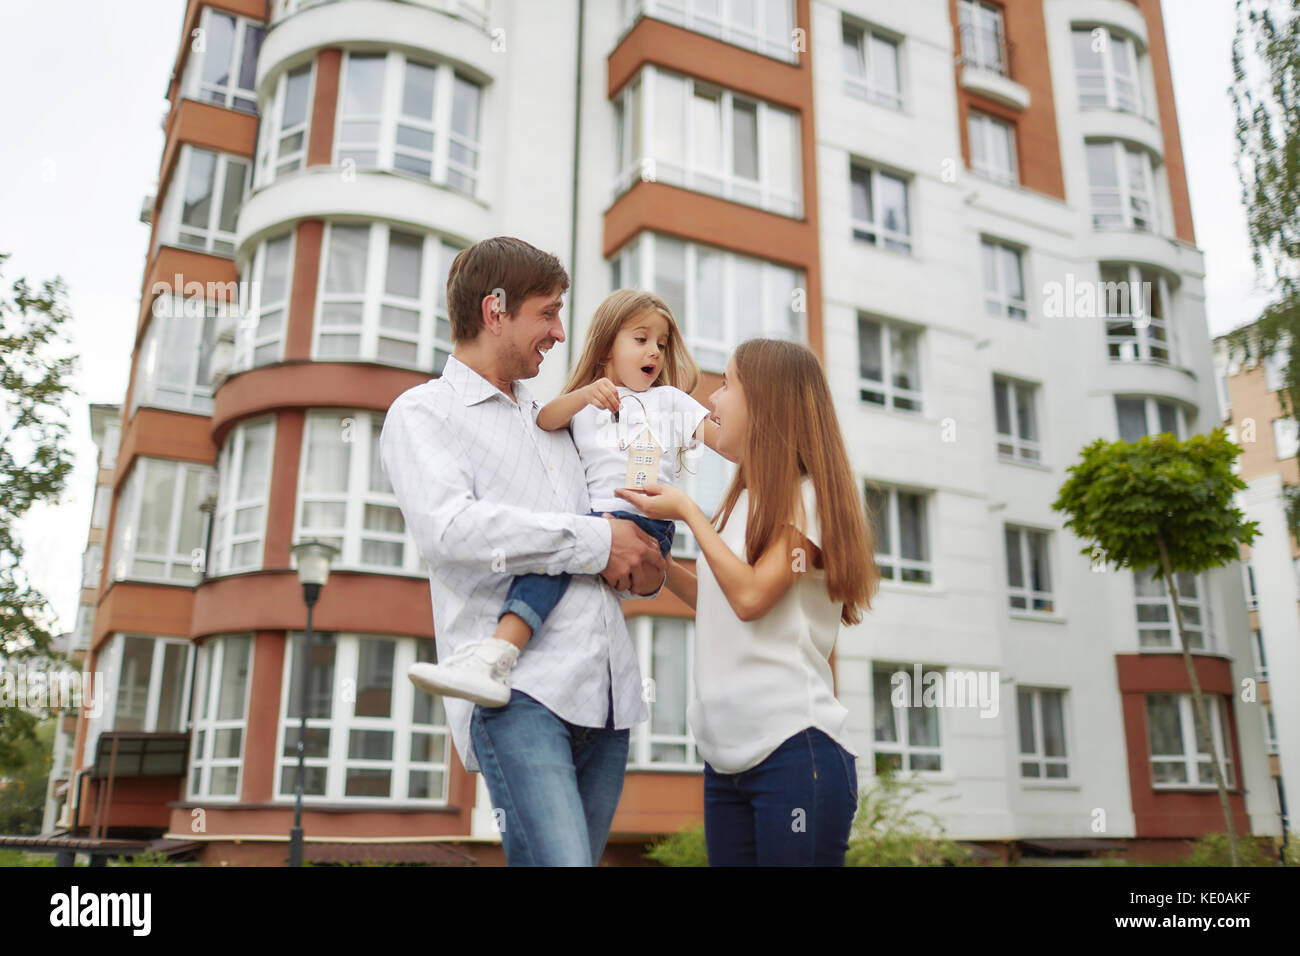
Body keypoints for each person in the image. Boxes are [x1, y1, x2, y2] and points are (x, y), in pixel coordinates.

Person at [379, 237, 666, 866]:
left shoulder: (558, 419)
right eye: (548, 313)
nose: (560, 333)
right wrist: (596, 541)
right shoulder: (425, 413)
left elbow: (623, 538)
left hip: (609, 693)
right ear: (495, 310)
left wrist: (644, 562)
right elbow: (450, 530)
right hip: (519, 695)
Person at [615, 338, 878, 866]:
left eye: (729, 383)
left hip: (794, 751)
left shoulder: (810, 498)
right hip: (725, 760)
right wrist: (659, 568)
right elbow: (720, 599)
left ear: (768, 402)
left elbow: (752, 597)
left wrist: (686, 511)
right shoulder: (739, 503)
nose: (714, 397)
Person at [408, 288, 725, 707]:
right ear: (606, 346)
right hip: (596, 526)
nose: (655, 352)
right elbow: (544, 419)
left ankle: (495, 654)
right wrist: (585, 395)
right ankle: (501, 658)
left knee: (556, 559)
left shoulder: (668, 402)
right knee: (553, 561)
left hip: (647, 525)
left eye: (662, 345)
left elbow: (727, 443)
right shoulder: (586, 404)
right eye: (642, 339)